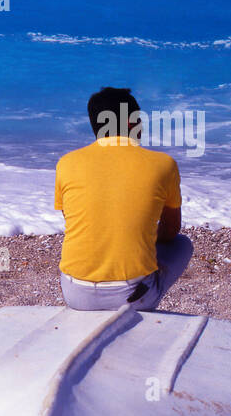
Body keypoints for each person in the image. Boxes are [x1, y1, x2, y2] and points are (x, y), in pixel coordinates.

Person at [54, 87, 193, 311]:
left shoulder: (67, 163)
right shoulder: (163, 164)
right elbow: (170, 231)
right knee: (182, 244)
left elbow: (73, 220)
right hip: (131, 296)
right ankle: (144, 297)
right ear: (130, 123)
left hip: (76, 294)